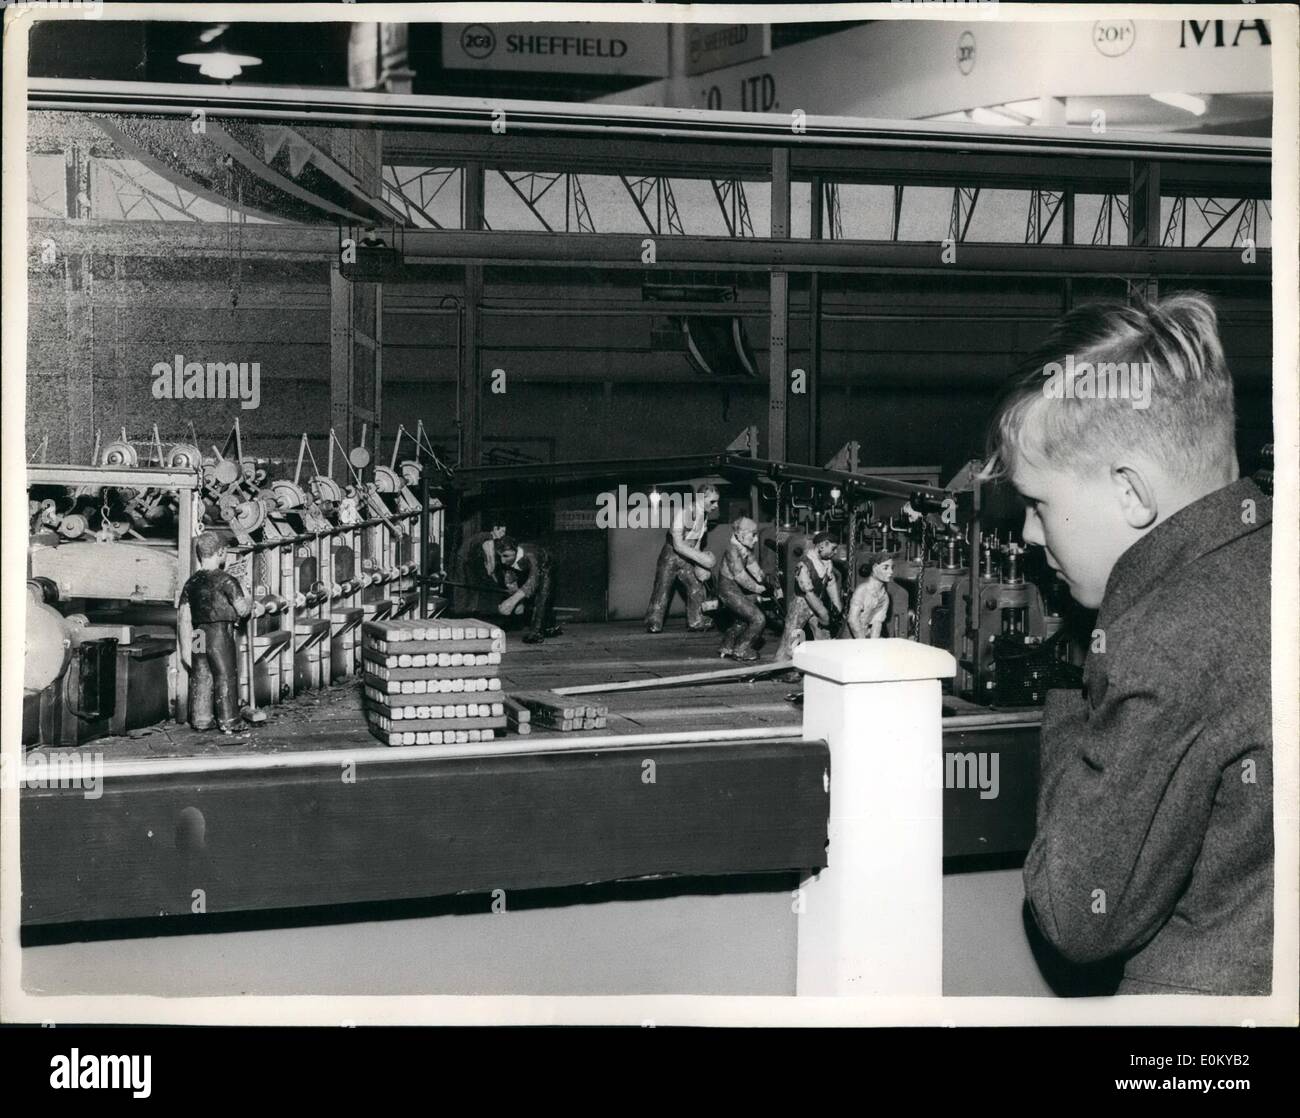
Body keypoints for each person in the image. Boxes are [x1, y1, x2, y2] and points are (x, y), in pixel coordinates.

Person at [986, 292, 1271, 995]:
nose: (1027, 534)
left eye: (1039, 503)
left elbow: (1074, 915)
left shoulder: (1166, 640)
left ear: (1131, 495)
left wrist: (1068, 693)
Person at [178, 532, 251, 735]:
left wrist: (185, 648)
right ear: (221, 552)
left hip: (198, 633)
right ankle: (230, 721)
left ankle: (201, 719)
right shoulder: (227, 580)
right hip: (219, 633)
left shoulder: (191, 582)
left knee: (201, 674)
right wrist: (249, 596)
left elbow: (183, 616)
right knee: (225, 675)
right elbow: (242, 610)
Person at [645, 483, 719, 633]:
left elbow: (697, 542)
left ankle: (696, 620)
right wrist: (701, 559)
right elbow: (678, 545)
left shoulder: (703, 516)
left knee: (696, 587)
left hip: (687, 556)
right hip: (671, 555)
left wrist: (699, 564)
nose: (716, 505)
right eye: (712, 501)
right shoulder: (685, 513)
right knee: (663, 588)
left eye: (717, 501)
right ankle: (654, 622)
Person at [775, 530, 843, 670]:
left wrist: (837, 606)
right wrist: (823, 612)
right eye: (833, 548)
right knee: (793, 636)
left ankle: (823, 666)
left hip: (816, 602)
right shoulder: (804, 565)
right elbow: (808, 593)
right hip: (802, 605)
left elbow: (830, 583)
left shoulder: (826, 563)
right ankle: (781, 668)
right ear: (822, 546)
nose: (835, 552)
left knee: (823, 635)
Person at [717, 516, 771, 662]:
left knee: (742, 619)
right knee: (758, 619)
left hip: (735, 588)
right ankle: (741, 649)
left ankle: (727, 646)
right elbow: (740, 576)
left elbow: (753, 567)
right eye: (753, 535)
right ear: (740, 535)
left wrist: (765, 580)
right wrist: (758, 588)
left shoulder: (744, 548)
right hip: (728, 589)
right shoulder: (732, 550)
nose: (756, 539)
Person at [496, 537, 561, 645]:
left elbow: (533, 581)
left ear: (516, 551)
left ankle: (537, 633)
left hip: (545, 566)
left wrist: (512, 601)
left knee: (543, 595)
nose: (502, 560)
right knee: (518, 595)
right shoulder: (508, 560)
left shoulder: (531, 556)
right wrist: (517, 602)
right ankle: (517, 622)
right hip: (525, 568)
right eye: (500, 556)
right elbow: (510, 580)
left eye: (506, 556)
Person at [454, 520, 507, 615]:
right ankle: (463, 612)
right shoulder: (488, 538)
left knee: (467, 586)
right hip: (464, 560)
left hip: (466, 560)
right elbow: (490, 558)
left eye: (504, 532)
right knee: (465, 586)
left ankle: (466, 610)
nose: (503, 535)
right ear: (495, 529)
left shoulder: (484, 536)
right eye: (502, 531)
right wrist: (493, 576)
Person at [847, 552, 895, 639]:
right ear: (874, 568)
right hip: (850, 635)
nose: (891, 572)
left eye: (892, 568)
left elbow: (877, 622)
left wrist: (873, 644)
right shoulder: (862, 591)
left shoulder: (884, 597)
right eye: (886, 568)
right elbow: (852, 620)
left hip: (865, 634)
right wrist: (863, 643)